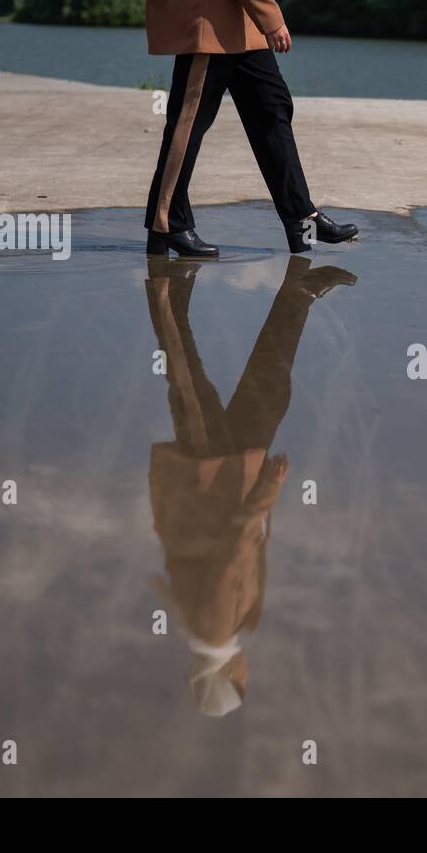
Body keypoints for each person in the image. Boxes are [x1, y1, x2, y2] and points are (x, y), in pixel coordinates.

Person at [144, 255, 356, 715]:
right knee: (270, 390)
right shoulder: (204, 627)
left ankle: (164, 287)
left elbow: (232, 551)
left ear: (227, 677)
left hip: (216, 479)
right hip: (232, 481)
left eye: (243, 682)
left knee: (186, 376)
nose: (248, 674)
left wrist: (265, 497)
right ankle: (298, 294)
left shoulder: (215, 629)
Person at [143, 0, 358, 257]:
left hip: (241, 18)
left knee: (272, 108)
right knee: (189, 123)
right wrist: (269, 16)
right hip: (211, 17)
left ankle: (301, 217)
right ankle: (167, 222)